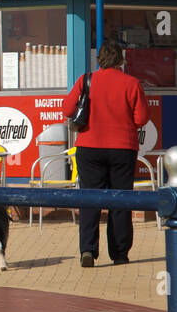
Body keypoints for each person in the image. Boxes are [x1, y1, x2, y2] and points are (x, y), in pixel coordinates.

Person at [61, 40, 149, 268]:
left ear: (99, 59)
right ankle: (119, 253)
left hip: (89, 147)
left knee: (89, 199)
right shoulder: (132, 83)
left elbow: (67, 109)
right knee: (120, 201)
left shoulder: (86, 80)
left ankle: (88, 250)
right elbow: (141, 118)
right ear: (120, 60)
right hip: (122, 149)